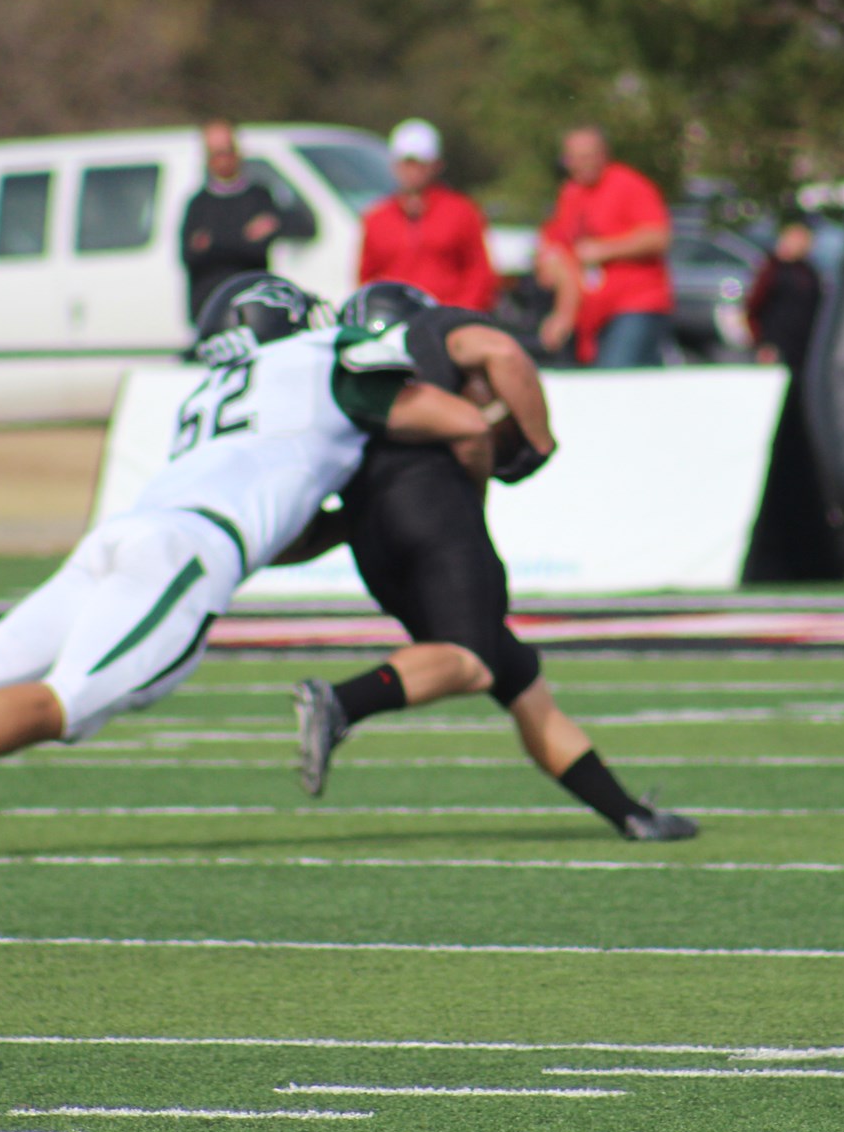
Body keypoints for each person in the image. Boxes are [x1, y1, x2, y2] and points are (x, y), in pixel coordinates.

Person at [0, 272, 489, 859]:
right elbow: (459, 421)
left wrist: (336, 521)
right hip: (189, 551)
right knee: (72, 702)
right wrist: (472, 482)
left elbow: (280, 523)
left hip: (123, 533)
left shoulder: (214, 390)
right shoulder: (333, 357)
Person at [290, 280, 699, 842]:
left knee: (519, 681)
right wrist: (536, 440)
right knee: (471, 660)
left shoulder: (334, 376)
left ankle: (628, 814)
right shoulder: (430, 330)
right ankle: (340, 702)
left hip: (368, 534)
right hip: (432, 509)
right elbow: (501, 353)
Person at [740, 221, 844, 583]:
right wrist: (762, 345)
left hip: (805, 362)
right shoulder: (772, 271)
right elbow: (751, 310)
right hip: (779, 359)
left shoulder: (811, 274)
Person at [536, 126, 675, 368]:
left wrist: (605, 249)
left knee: (614, 375)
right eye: (573, 158)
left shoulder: (629, 185)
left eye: (587, 157)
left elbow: (658, 237)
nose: (580, 164)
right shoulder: (571, 194)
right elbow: (557, 246)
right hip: (591, 314)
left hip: (635, 304)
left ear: (603, 155)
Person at [356, 118, 500, 312]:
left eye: (421, 164)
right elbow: (368, 279)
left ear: (436, 165)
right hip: (395, 321)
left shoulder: (461, 212)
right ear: (395, 165)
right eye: (408, 163)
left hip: (448, 320)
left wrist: (461, 313)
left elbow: (479, 273)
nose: (413, 171)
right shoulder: (376, 218)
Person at [179, 120, 283, 322]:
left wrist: (213, 243)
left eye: (228, 151)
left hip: (254, 308)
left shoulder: (259, 197)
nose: (223, 160)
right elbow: (190, 257)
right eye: (216, 154)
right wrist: (242, 238)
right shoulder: (198, 204)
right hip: (210, 309)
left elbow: (259, 250)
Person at [745, 221, 824, 370]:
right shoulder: (772, 270)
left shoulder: (807, 271)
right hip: (776, 344)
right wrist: (762, 343)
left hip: (804, 344)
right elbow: (753, 307)